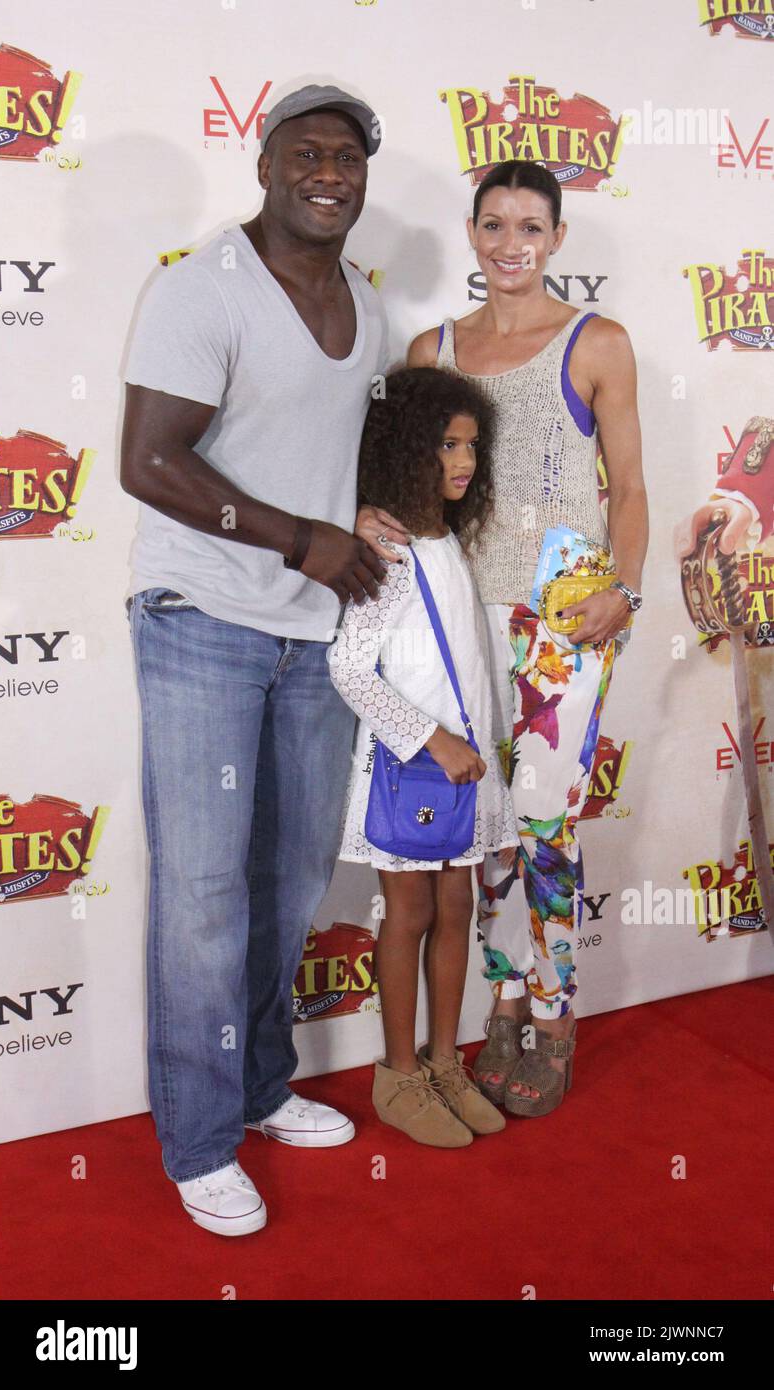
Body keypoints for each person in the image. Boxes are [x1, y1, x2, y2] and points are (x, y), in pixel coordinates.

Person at [120, 84, 391, 1236]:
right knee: (199, 893)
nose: (328, 173)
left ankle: (258, 1083)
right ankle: (196, 1139)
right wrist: (300, 540)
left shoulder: (363, 304)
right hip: (203, 619)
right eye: (306, 152)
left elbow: (328, 447)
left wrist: (358, 531)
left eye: (346, 157)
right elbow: (147, 459)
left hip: (312, 635)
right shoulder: (201, 287)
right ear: (266, 162)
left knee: (286, 882)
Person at [360, 159, 648, 1118]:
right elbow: (400, 472)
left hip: (566, 617)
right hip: (459, 618)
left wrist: (629, 590)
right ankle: (503, 1004)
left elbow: (632, 487)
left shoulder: (597, 342)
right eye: (494, 225)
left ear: (557, 238)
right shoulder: (430, 347)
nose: (511, 243)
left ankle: (557, 1017)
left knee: (546, 825)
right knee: (485, 832)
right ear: (474, 234)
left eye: (531, 226)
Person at [328, 367, 519, 1147]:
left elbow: (468, 672)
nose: (463, 461)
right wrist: (430, 740)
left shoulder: (446, 542)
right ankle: (398, 1072)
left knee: (457, 907)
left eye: (472, 445)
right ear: (410, 448)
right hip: (408, 774)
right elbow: (348, 668)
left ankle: (446, 1062)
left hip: (465, 771)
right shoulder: (393, 550)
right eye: (447, 444)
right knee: (406, 913)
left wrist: (475, 756)